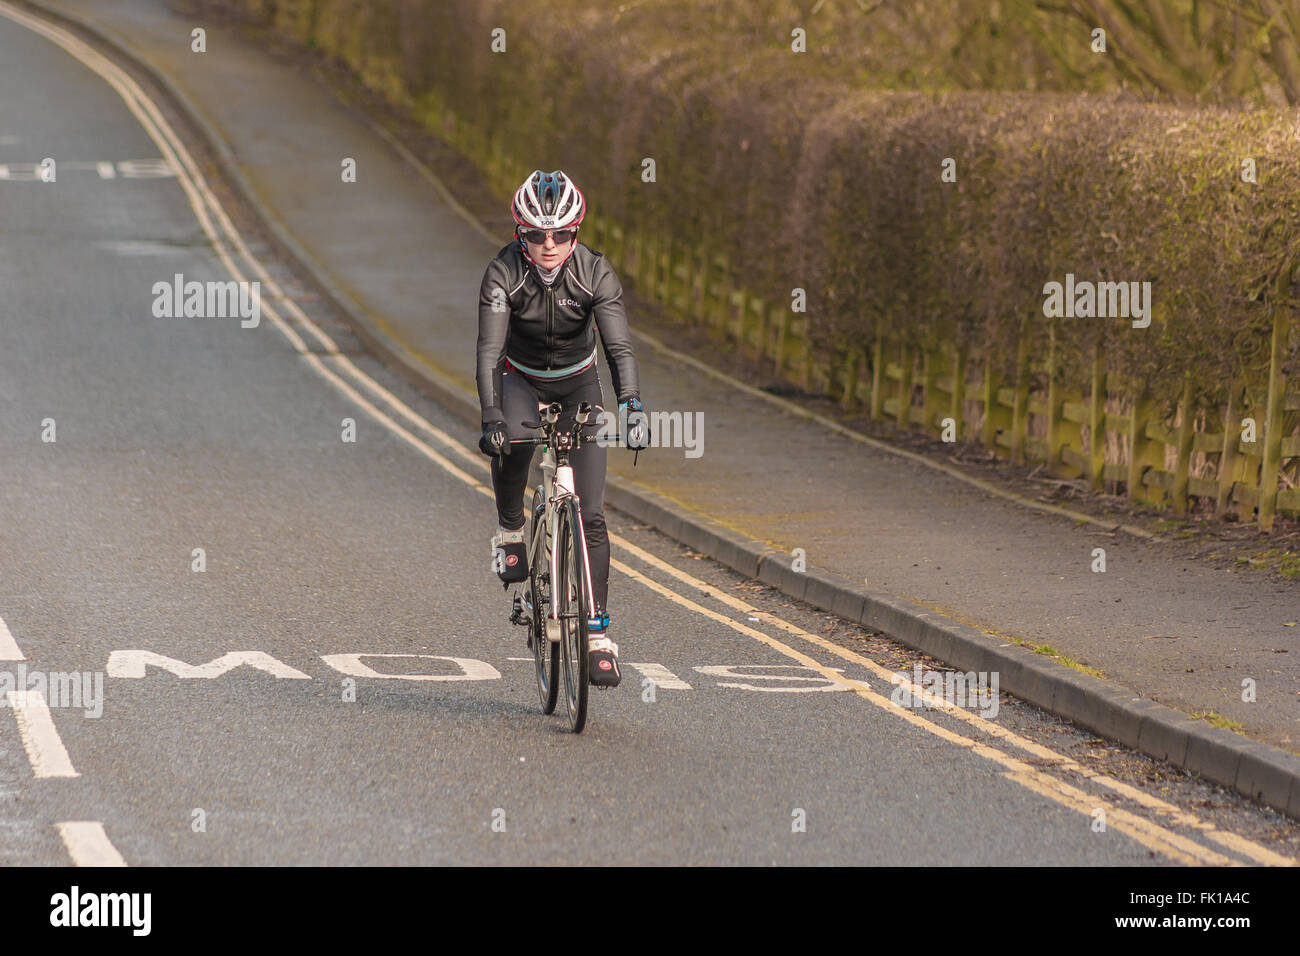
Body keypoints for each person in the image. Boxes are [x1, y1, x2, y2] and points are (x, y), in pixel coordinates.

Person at [475, 169, 648, 687]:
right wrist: (491, 418)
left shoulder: (596, 273)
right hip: (519, 378)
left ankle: (597, 634)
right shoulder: (502, 273)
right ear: (518, 233)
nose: (548, 246)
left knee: (591, 514)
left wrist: (633, 406)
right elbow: (488, 351)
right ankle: (510, 528)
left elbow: (618, 347)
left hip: (578, 384)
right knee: (518, 437)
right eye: (535, 235)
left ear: (576, 231)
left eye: (561, 234)